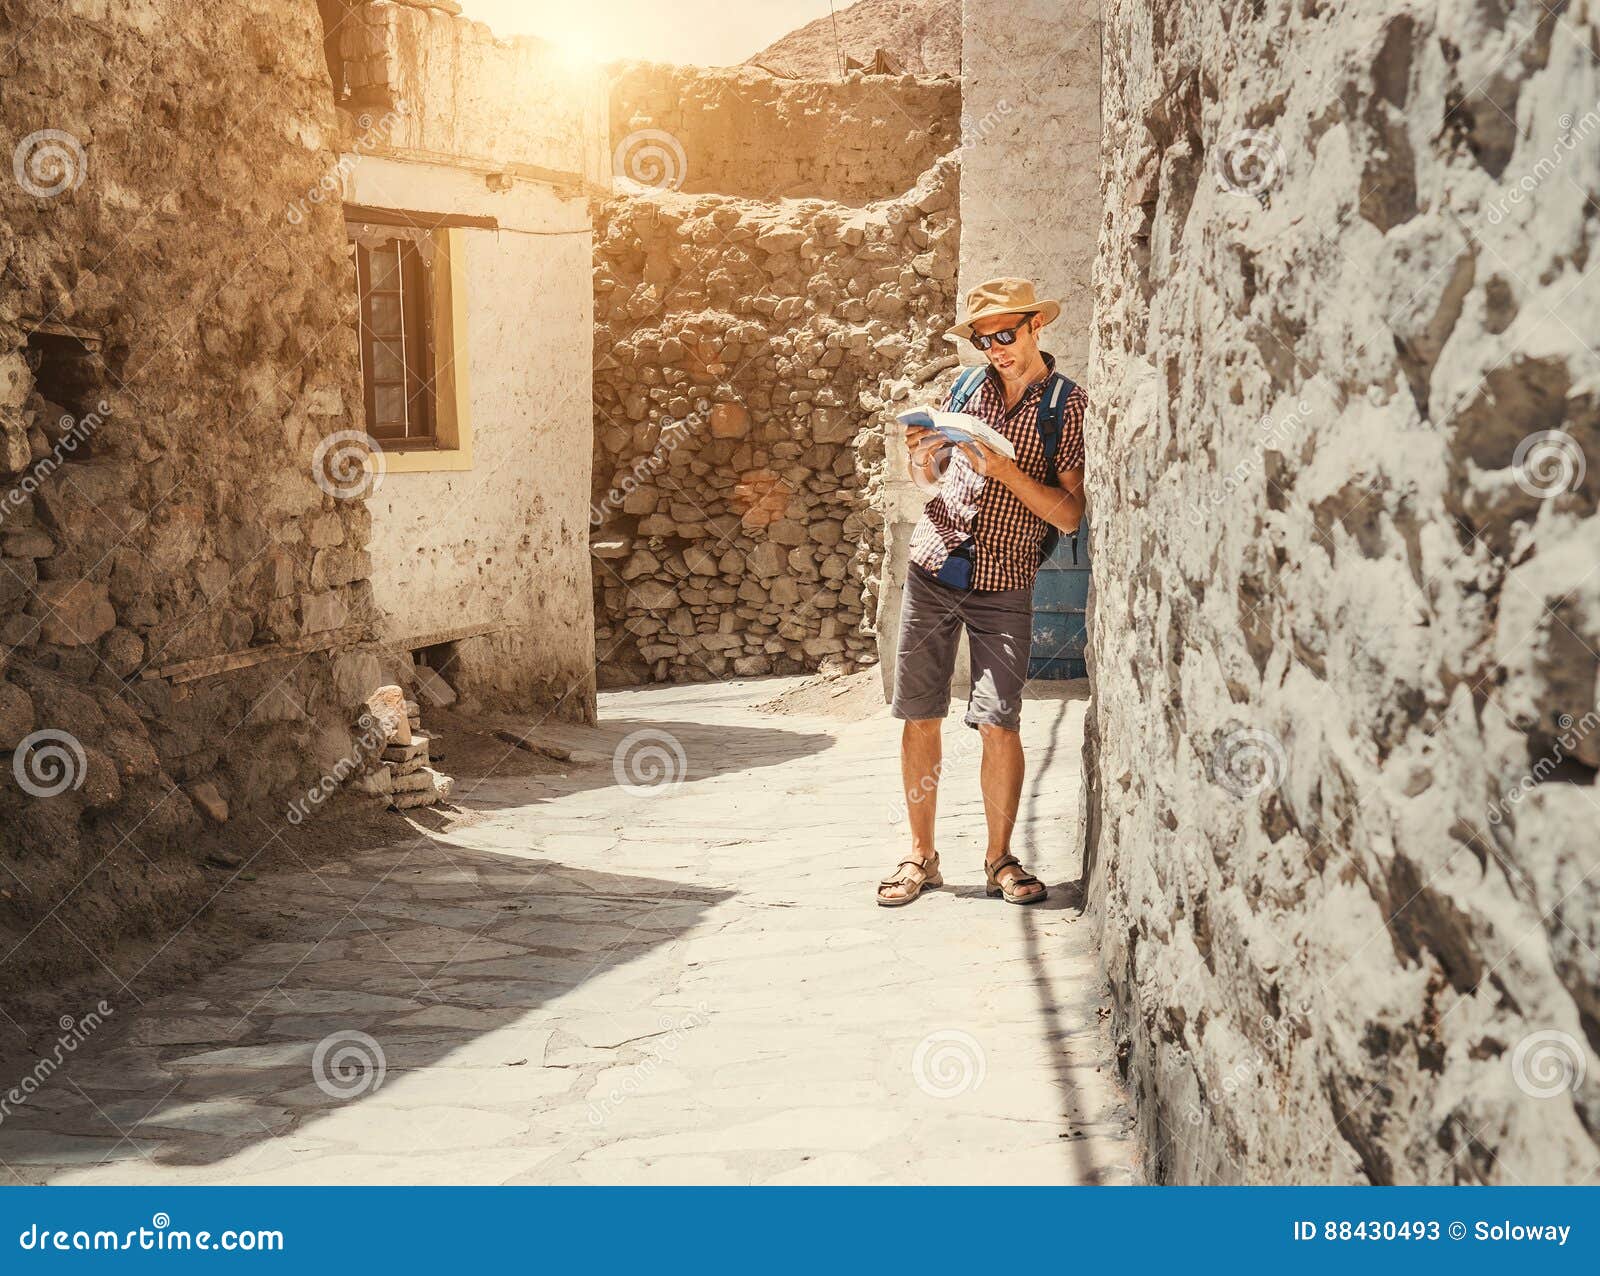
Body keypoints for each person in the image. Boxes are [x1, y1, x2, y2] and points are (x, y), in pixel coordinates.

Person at [877, 278, 1087, 907]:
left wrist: (1008, 471)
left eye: (1005, 333)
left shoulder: (1066, 406)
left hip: (1006, 582)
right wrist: (921, 456)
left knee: (998, 722)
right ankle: (921, 857)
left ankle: (999, 859)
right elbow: (931, 481)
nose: (994, 347)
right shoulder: (967, 388)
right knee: (920, 714)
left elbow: (1070, 515)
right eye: (982, 337)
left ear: (1034, 328)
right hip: (935, 565)